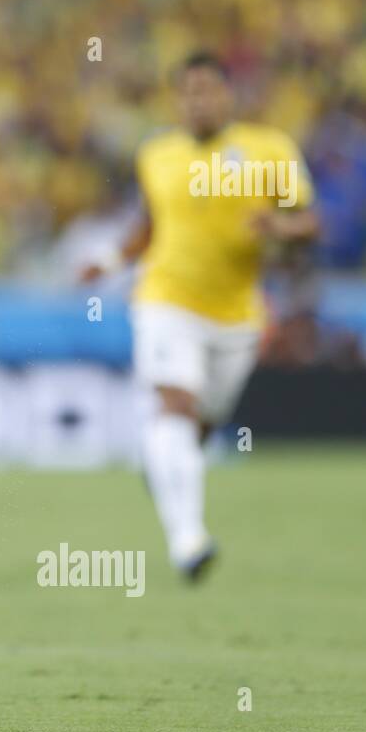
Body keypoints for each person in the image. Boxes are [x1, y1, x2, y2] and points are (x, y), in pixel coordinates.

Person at [82, 52, 318, 578]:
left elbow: (310, 223)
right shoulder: (157, 153)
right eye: (188, 92)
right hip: (165, 300)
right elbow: (150, 225)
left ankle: (161, 465)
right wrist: (110, 260)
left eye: (207, 90)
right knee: (176, 405)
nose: (197, 101)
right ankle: (188, 540)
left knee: (197, 429)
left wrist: (283, 230)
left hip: (237, 315)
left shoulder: (268, 149)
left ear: (228, 95)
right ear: (177, 100)